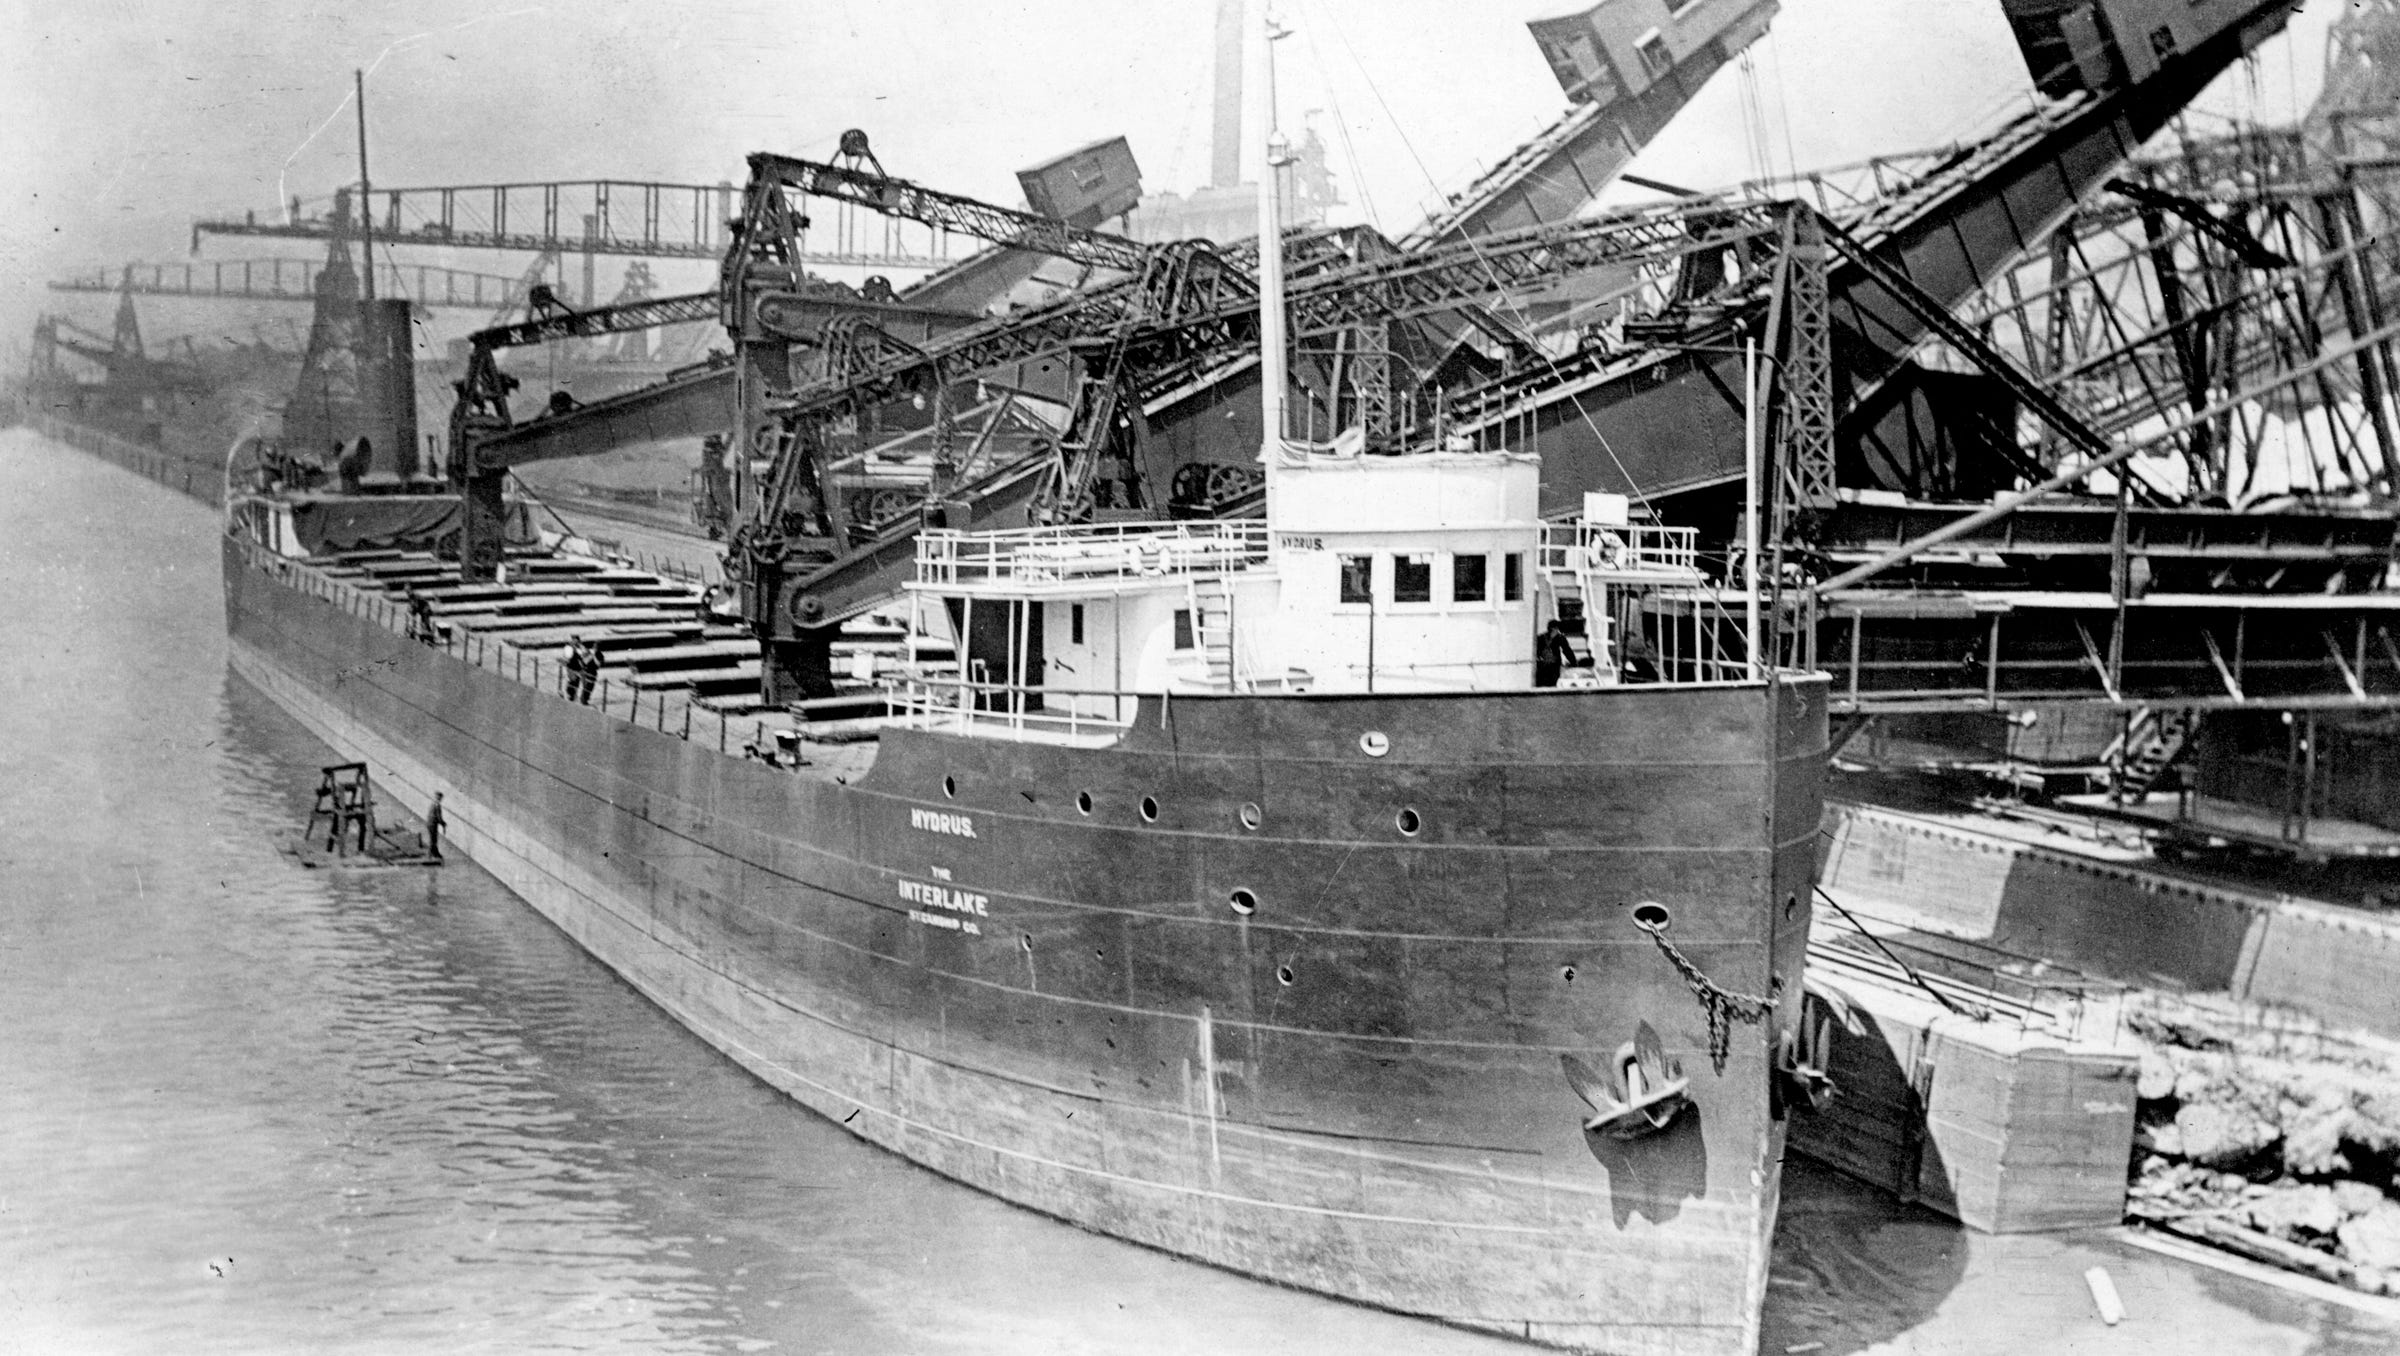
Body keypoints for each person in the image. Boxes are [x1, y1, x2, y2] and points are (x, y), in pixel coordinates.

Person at [424, 792, 446, 863]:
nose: (441, 799)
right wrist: (443, 823)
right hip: (433, 824)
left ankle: (435, 853)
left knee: (434, 839)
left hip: (429, 823)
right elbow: (439, 817)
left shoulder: (433, 803)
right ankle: (429, 856)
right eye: (440, 798)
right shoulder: (437, 805)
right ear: (439, 798)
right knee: (433, 840)